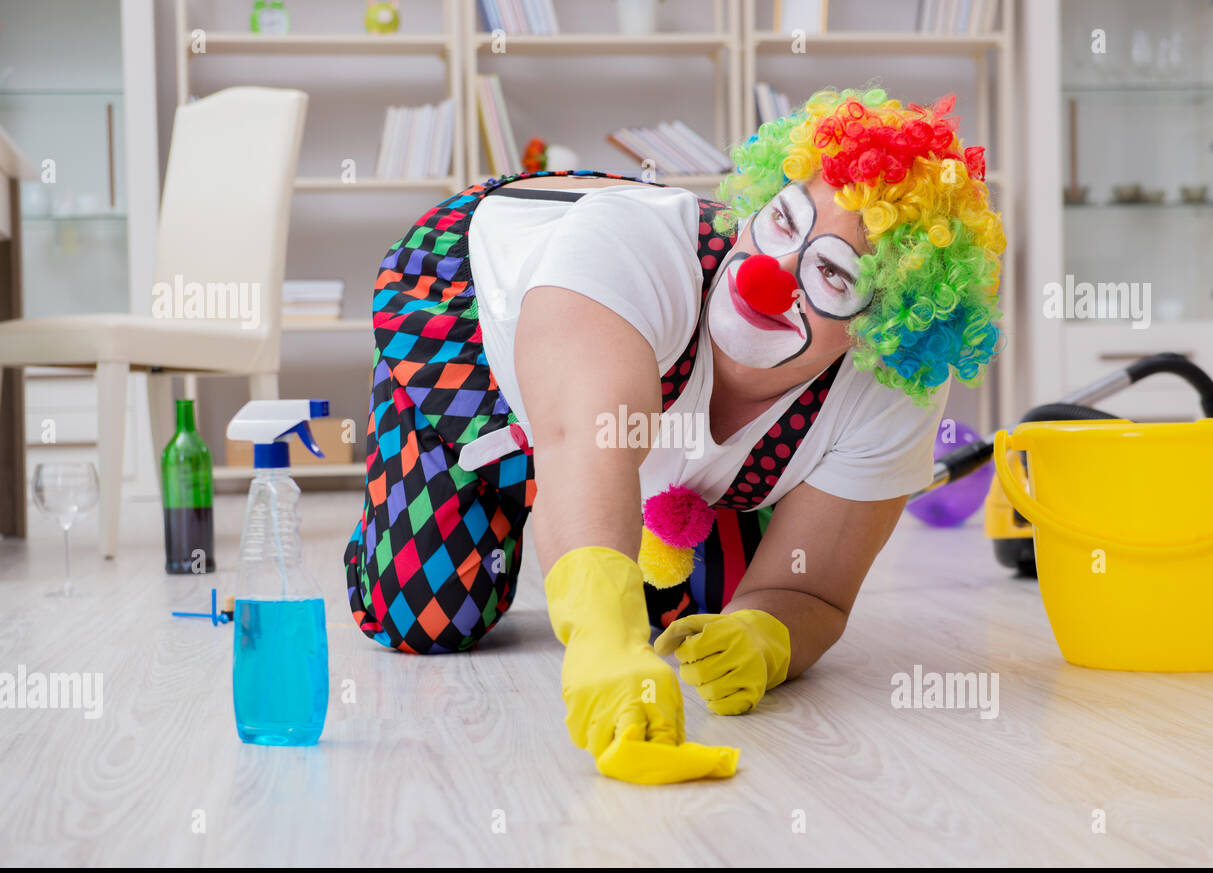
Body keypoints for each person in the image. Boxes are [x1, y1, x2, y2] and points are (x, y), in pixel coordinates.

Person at [344, 86, 1006, 784]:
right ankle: (486, 478)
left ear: (885, 326)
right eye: (782, 220)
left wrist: (764, 637)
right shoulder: (633, 252)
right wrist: (602, 636)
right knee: (429, 614)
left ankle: (593, 506)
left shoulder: (892, 386)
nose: (767, 276)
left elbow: (815, 594)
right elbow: (582, 434)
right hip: (482, 316)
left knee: (695, 621)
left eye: (832, 273)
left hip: (622, 421)